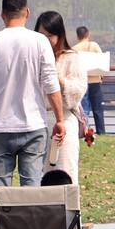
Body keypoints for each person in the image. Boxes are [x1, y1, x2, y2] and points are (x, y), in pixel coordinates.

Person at [0, 0, 64, 186]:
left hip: (0, 126)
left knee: (0, 188)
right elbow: (50, 83)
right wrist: (60, 119)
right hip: (34, 125)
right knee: (31, 185)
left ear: (2, 14)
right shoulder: (40, 42)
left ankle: (1, 218)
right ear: (28, 13)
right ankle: (30, 217)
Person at [35, 11, 88, 183]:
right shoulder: (33, 57)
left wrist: (59, 80)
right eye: (40, 35)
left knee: (65, 170)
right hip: (37, 121)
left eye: (49, 36)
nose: (45, 40)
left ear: (59, 35)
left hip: (64, 121)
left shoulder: (71, 58)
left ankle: (69, 209)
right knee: (38, 173)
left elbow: (78, 89)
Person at [73, 26, 106, 135]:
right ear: (88, 34)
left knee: (83, 109)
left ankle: (83, 131)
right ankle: (101, 132)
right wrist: (101, 76)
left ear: (78, 36)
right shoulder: (94, 45)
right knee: (97, 109)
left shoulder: (74, 49)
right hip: (95, 81)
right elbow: (102, 61)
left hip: (81, 82)